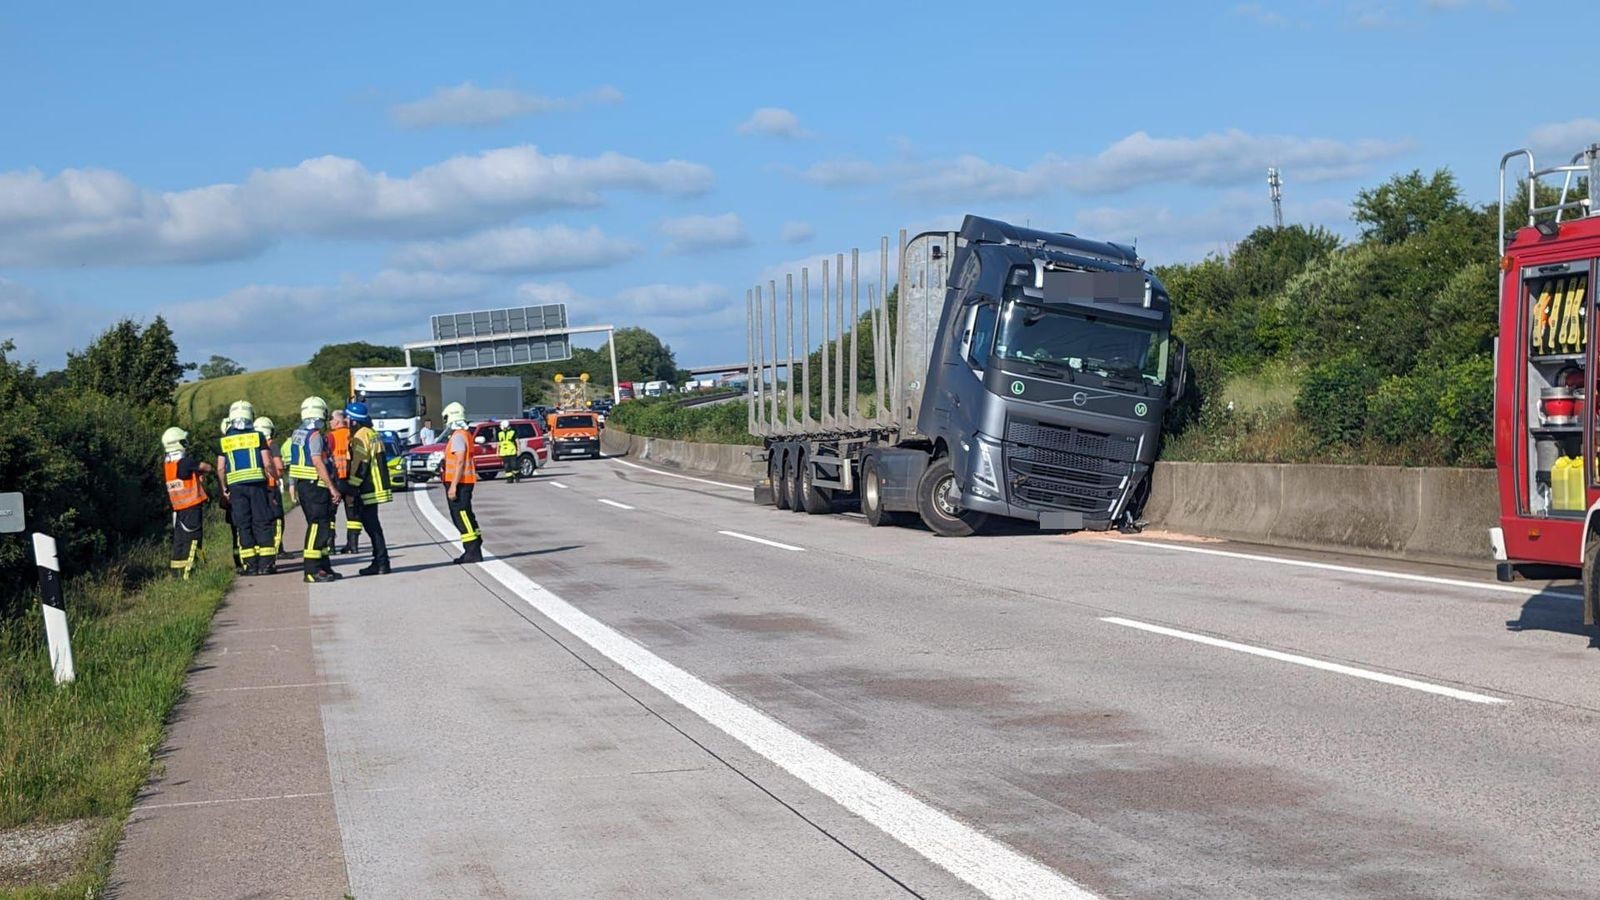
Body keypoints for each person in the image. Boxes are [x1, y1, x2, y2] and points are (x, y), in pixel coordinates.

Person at [217, 400, 280, 576]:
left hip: (236, 488)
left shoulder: (224, 440)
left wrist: (223, 489)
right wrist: (275, 480)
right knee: (262, 522)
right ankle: (266, 565)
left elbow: (220, 468)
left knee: (243, 525)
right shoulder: (258, 436)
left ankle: (250, 566)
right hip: (257, 486)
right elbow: (267, 463)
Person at [286, 396, 343, 584]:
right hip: (315, 487)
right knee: (317, 526)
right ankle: (311, 570)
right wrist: (332, 487)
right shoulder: (315, 436)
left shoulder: (298, 434)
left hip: (306, 486)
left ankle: (324, 567)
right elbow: (318, 462)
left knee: (322, 527)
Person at [344, 401, 393, 576]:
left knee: (372, 527)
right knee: (374, 526)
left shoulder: (360, 435)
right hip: (377, 485)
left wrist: (352, 487)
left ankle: (381, 562)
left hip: (368, 487)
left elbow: (360, 463)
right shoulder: (372, 433)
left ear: (354, 421)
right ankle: (380, 561)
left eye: (348, 419)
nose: (346, 422)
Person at [162, 426, 211, 579]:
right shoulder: (185, 462)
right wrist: (204, 469)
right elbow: (205, 467)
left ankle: (177, 573)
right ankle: (189, 572)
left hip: (178, 509)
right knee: (193, 540)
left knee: (180, 541)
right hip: (191, 507)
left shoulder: (169, 465)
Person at [442, 402, 483, 564]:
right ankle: (474, 546)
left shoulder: (458, 436)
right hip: (463, 482)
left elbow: (459, 461)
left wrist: (453, 486)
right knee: (466, 515)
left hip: (460, 483)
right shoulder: (464, 434)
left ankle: (472, 550)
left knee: (462, 516)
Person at [330, 408, 361, 554]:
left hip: (336, 479)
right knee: (353, 513)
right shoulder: (352, 435)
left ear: (337, 421)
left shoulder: (330, 436)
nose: (330, 422)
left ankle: (330, 545)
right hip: (351, 479)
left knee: (330, 514)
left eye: (331, 419)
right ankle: (353, 545)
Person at [255, 416, 285, 559]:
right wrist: (279, 476)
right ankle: (278, 548)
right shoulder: (272, 445)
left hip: (258, 487)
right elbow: (278, 466)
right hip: (271, 485)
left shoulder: (253, 446)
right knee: (277, 518)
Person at [217, 417, 243, 574]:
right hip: (246, 489)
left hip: (231, 491)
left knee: (235, 531)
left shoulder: (224, 444)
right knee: (247, 526)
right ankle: (250, 561)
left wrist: (223, 491)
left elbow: (220, 469)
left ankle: (239, 563)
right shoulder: (244, 440)